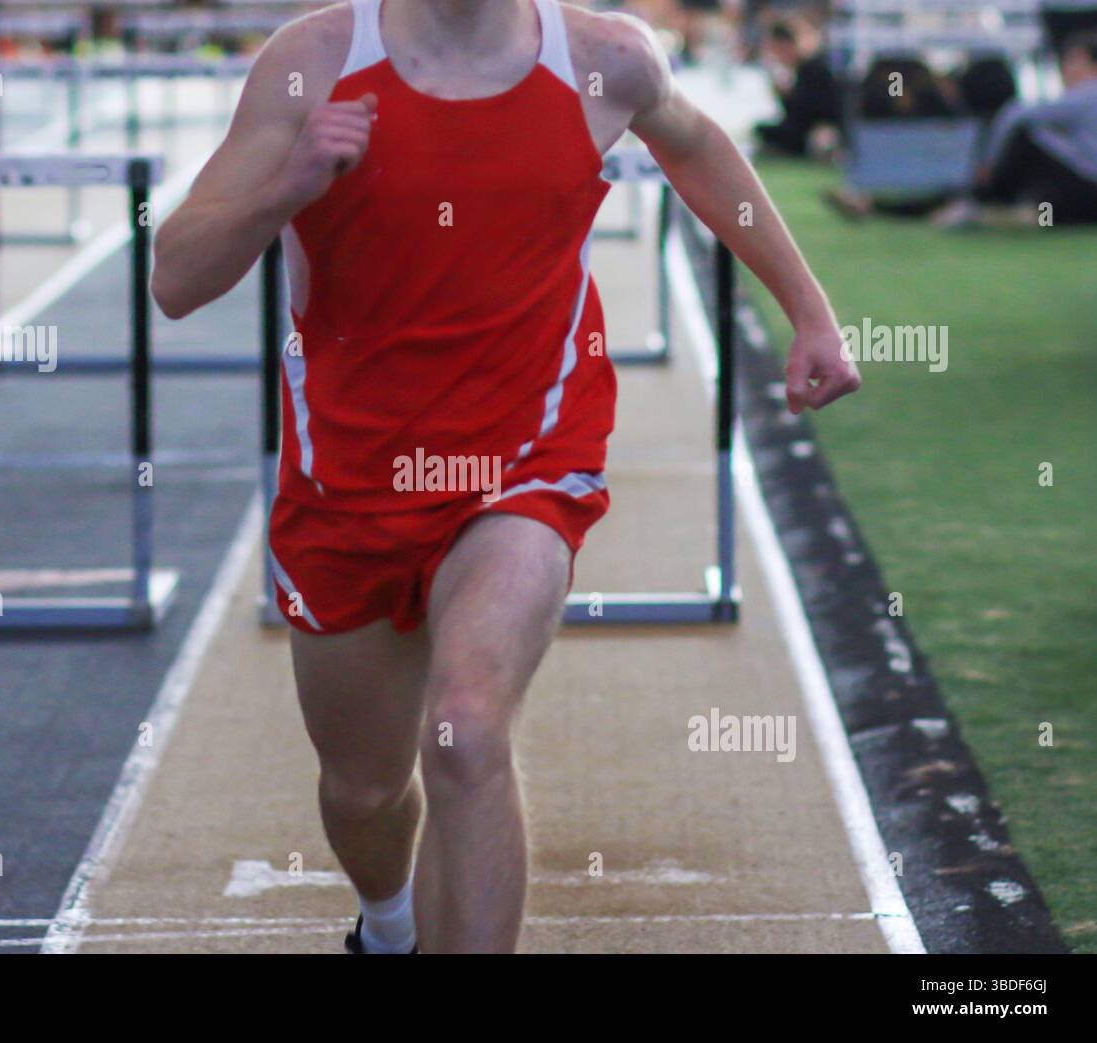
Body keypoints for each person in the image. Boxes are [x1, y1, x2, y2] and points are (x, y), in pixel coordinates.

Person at [152, 0, 858, 954]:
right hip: (350, 477)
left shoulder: (606, 56)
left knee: (468, 731)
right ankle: (389, 926)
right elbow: (177, 278)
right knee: (362, 787)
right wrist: (290, 183)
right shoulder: (312, 60)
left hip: (526, 460)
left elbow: (696, 150)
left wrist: (810, 311)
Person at [936, 30, 1097, 227]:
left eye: (1071, 61)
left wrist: (987, 162)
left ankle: (982, 199)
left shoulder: (1088, 92)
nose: (1064, 69)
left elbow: (1015, 114)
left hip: (1088, 185)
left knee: (1026, 135)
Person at [753, 15, 841, 157]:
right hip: (798, 129)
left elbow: (820, 109)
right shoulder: (793, 72)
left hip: (817, 129)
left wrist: (789, 95)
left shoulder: (815, 70)